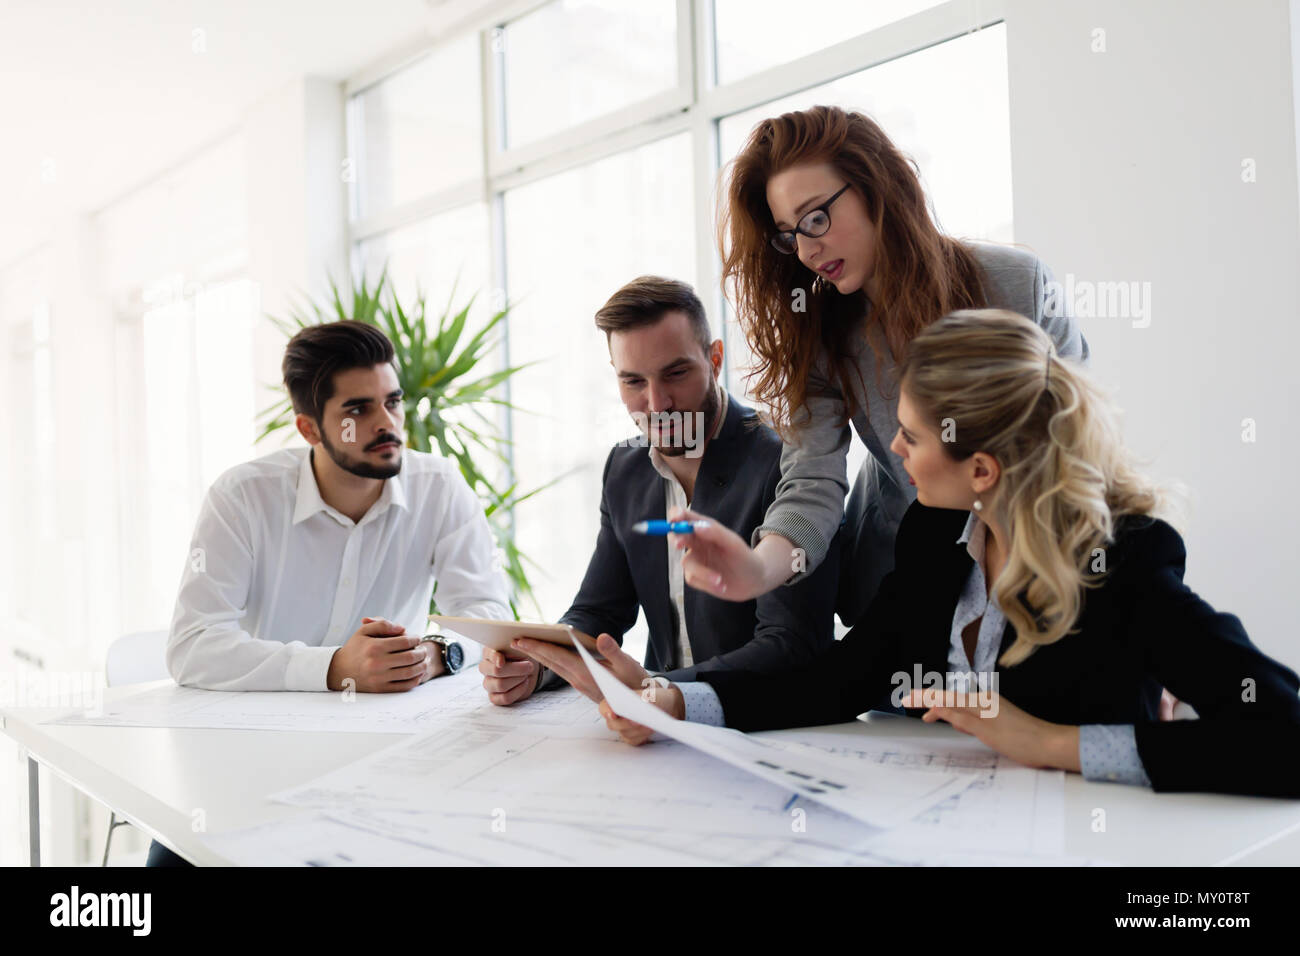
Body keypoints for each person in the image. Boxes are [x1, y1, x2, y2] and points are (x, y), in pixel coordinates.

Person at [527, 310, 1300, 798]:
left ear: (983, 470)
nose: (892, 452)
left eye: (912, 437)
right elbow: (845, 676)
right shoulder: (939, 535)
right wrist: (672, 703)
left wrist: (1048, 743)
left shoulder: (1124, 563)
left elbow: (1284, 733)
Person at [681, 105, 1089, 625]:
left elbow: (1076, 443)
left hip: (1034, 563)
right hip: (900, 581)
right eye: (789, 234)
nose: (807, 249)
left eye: (816, 218)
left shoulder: (1016, 283)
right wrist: (759, 569)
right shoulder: (820, 336)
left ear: (876, 187)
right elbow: (812, 480)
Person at [479, 277, 840, 706]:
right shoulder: (625, 467)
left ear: (716, 359)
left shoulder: (783, 460)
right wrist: (536, 666)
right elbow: (599, 612)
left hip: (762, 722)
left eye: (676, 373)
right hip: (658, 731)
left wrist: (658, 691)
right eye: (633, 382)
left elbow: (790, 646)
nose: (656, 404)